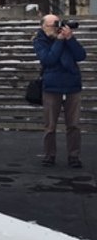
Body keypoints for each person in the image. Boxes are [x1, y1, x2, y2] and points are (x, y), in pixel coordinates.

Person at [33, 14, 86, 168]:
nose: (56, 27)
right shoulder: (39, 40)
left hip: (72, 86)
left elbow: (81, 55)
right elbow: (48, 60)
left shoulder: (67, 37)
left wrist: (70, 39)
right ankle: (49, 155)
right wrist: (59, 41)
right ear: (43, 26)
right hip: (52, 87)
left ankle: (74, 156)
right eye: (52, 25)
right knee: (50, 125)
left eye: (57, 23)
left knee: (74, 125)